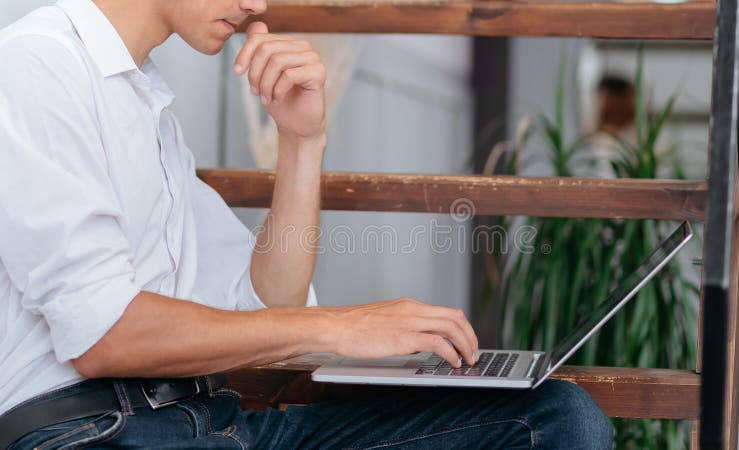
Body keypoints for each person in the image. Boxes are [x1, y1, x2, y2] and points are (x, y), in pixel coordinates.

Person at [0, 0, 614, 448]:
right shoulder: (39, 62)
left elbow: (268, 300)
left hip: (212, 424)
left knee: (556, 419)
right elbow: (104, 335)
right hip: (91, 430)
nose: (255, 6)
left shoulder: (149, 109)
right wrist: (343, 327)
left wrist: (301, 140)